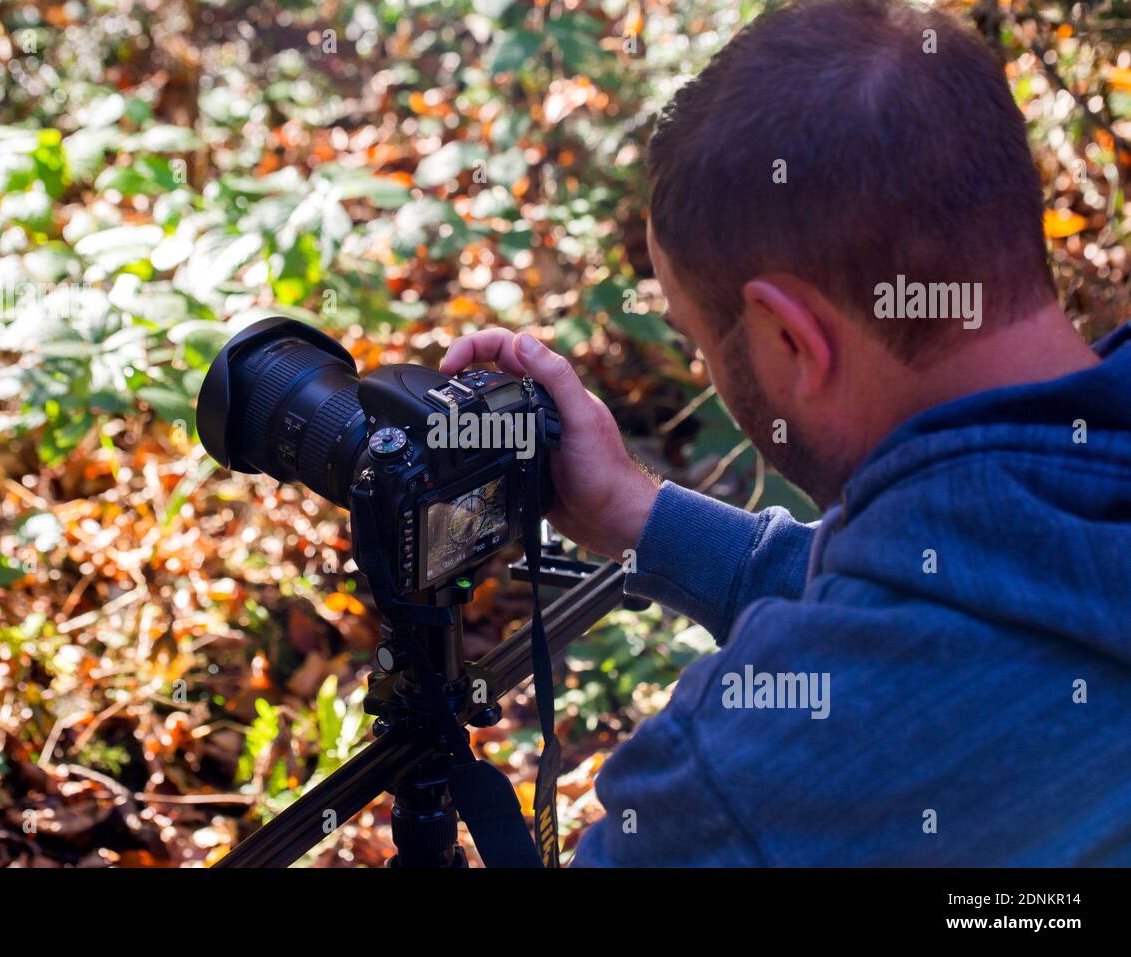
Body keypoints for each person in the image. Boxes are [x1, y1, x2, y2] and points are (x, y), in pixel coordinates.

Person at [440, 0, 1131, 865]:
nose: (706, 376)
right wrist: (637, 514)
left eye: (700, 342)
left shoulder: (740, 786)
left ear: (792, 340)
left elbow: (887, 654)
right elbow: (963, 575)